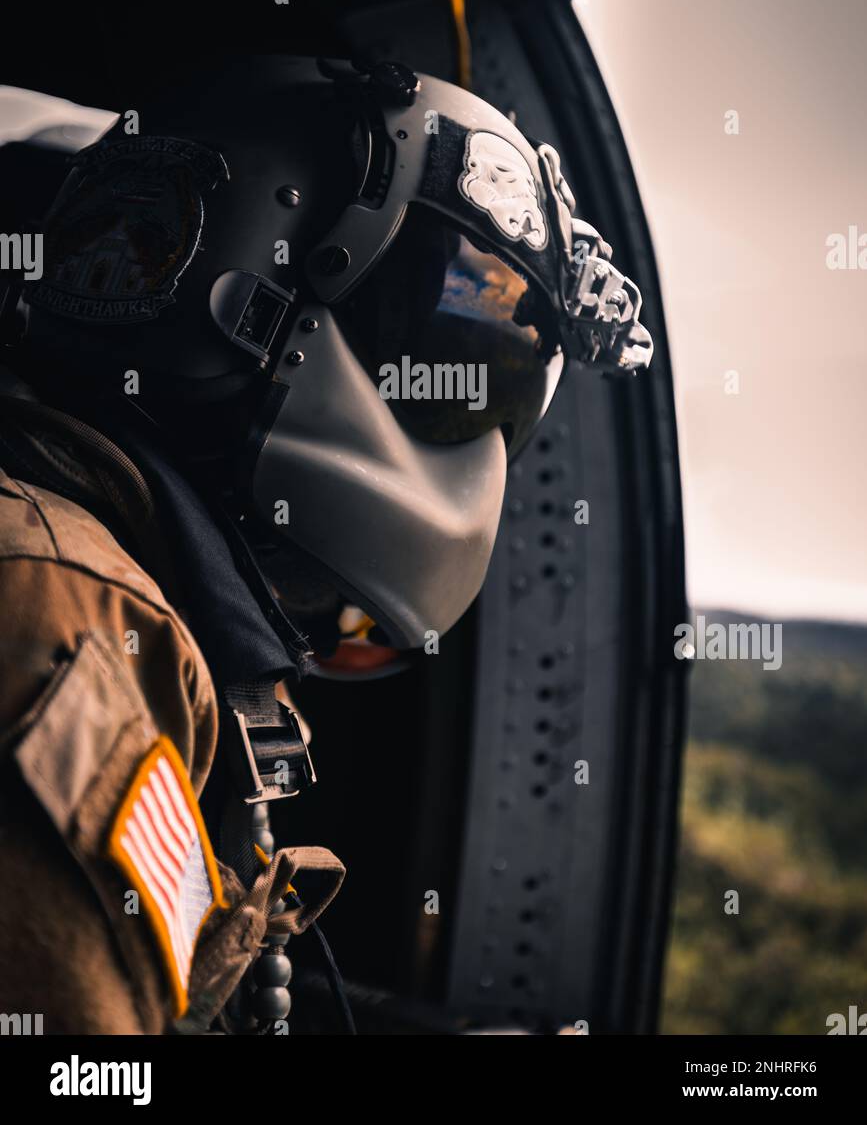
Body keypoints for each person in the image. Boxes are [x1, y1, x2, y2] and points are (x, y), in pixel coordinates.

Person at [0, 55, 652, 1034]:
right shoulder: (72, 616)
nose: (478, 432)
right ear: (256, 268)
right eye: (443, 358)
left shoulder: (103, 576)